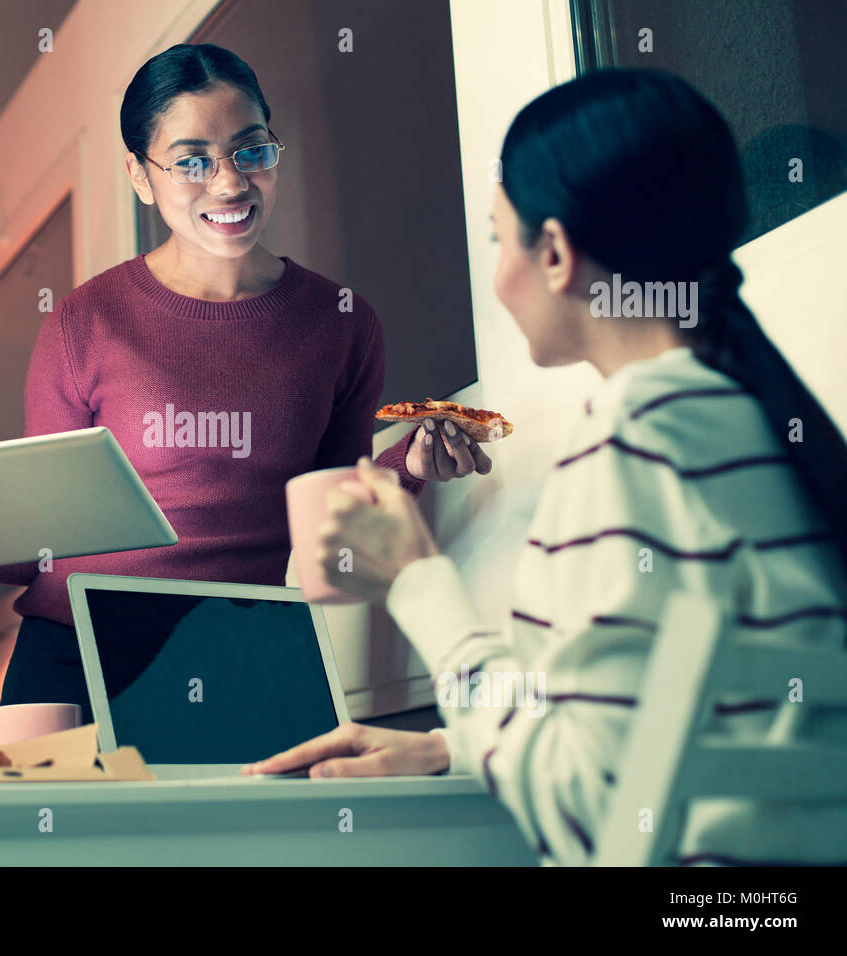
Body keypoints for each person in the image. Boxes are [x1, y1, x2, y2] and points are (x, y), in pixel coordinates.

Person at [243, 68, 847, 866]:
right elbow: (648, 739)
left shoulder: (634, 440)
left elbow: (591, 813)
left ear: (556, 252)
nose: (498, 277)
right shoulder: (751, 421)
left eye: (500, 240)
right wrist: (452, 748)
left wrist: (417, 580)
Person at [0, 43, 487, 716]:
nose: (229, 184)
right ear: (141, 177)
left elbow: (331, 515)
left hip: (249, 647)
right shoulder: (84, 321)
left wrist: (411, 462)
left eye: (250, 150)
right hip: (73, 655)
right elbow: (39, 548)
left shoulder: (341, 322)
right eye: (192, 161)